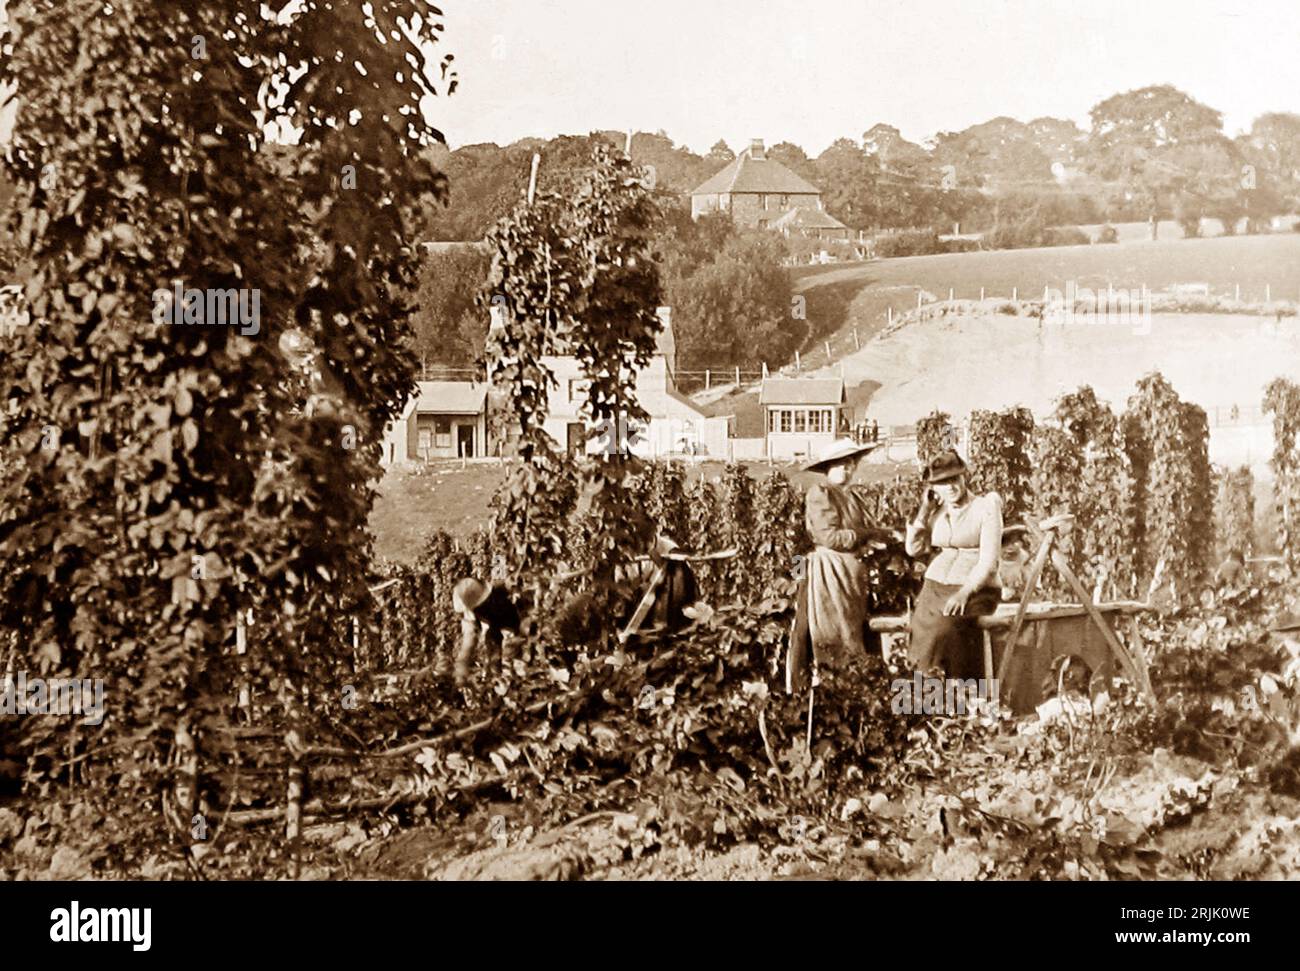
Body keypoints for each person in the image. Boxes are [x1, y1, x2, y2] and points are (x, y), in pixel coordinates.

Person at [787, 438, 890, 693]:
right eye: (842, 465)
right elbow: (830, 538)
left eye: (852, 464)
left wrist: (881, 535)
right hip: (831, 572)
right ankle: (830, 689)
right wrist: (863, 535)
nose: (848, 469)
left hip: (852, 574)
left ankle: (855, 687)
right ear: (828, 468)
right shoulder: (821, 494)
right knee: (834, 634)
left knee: (854, 633)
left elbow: (866, 529)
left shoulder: (852, 496)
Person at [904, 449, 1004, 680]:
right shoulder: (938, 511)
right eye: (941, 482)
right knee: (918, 631)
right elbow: (914, 549)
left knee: (945, 631)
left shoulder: (985, 507)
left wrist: (964, 593)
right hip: (936, 586)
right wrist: (924, 510)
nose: (949, 487)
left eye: (954, 479)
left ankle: (958, 701)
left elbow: (989, 562)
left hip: (976, 588)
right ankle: (923, 704)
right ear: (933, 488)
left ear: (964, 477)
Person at [450, 577, 525, 685]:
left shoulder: (498, 593)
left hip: (517, 624)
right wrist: (462, 664)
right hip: (505, 636)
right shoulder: (474, 619)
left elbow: (506, 584)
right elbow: (469, 639)